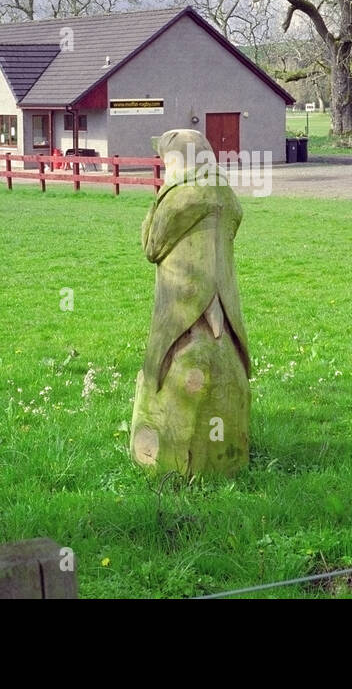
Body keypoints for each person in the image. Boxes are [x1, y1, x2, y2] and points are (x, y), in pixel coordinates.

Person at [130, 129, 250, 477]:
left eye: (165, 161)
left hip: (183, 308)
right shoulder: (226, 196)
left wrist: (164, 192)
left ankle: (170, 456)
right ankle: (225, 452)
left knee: (173, 374)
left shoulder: (182, 197)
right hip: (223, 309)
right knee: (224, 371)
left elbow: (151, 246)